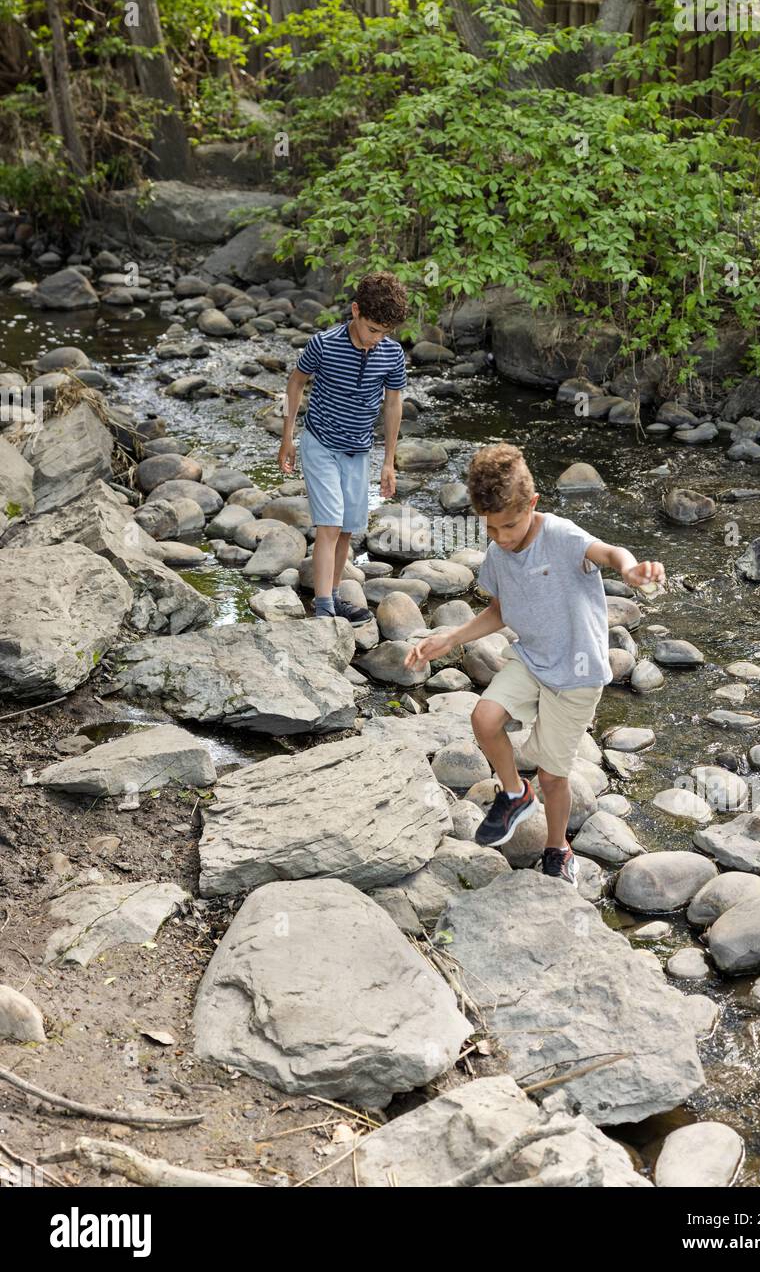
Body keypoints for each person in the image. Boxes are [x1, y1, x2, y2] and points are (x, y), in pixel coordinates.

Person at [405, 443, 666, 886]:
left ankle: (557, 846)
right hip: (532, 658)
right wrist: (449, 636)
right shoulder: (498, 552)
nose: (502, 538)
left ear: (532, 504)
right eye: (491, 529)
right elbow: (500, 611)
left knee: (552, 774)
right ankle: (513, 793)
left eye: (509, 525)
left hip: (576, 675)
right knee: (484, 718)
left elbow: (608, 552)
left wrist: (630, 569)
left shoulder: (561, 537)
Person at [278, 271, 408, 622]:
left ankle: (333, 597)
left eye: (385, 332)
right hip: (320, 442)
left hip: (358, 449)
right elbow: (295, 384)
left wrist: (388, 461)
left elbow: (393, 404)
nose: (376, 339)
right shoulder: (325, 343)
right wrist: (287, 437)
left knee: (348, 527)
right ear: (355, 311)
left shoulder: (391, 354)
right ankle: (322, 609)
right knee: (330, 525)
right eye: (372, 329)